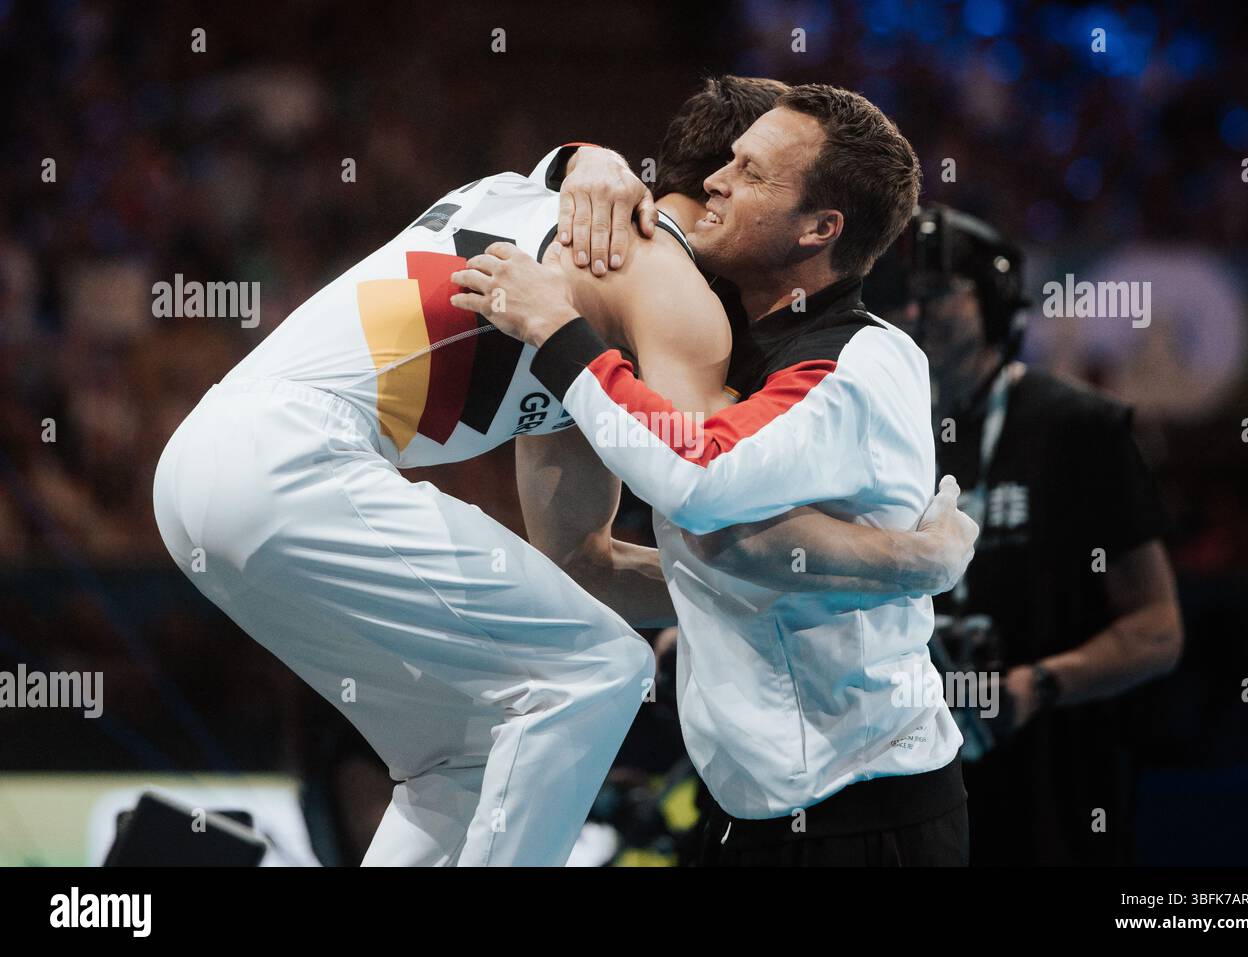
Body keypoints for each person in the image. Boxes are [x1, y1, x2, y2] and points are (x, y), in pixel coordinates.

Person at [153, 79, 976, 867]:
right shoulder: (667, 287)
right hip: (293, 460)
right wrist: (911, 562)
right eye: (740, 165)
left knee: (469, 754)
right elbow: (709, 507)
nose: (730, 184)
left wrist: (586, 158)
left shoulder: (547, 220)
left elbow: (581, 561)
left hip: (205, 468)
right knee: (597, 671)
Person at [456, 83, 973, 866]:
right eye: (727, 161)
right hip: (744, 813)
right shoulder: (725, 338)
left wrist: (558, 333)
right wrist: (582, 160)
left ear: (819, 230)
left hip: (863, 816)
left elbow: (698, 476)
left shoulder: (857, 362)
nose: (718, 185)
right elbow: (703, 551)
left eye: (754, 174)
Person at [862, 203, 1185, 864]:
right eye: (904, 299)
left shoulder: (1080, 428)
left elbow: (1158, 628)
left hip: (1053, 793)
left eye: (935, 295)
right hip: (908, 788)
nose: (914, 315)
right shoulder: (878, 434)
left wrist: (1037, 683)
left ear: (998, 302)